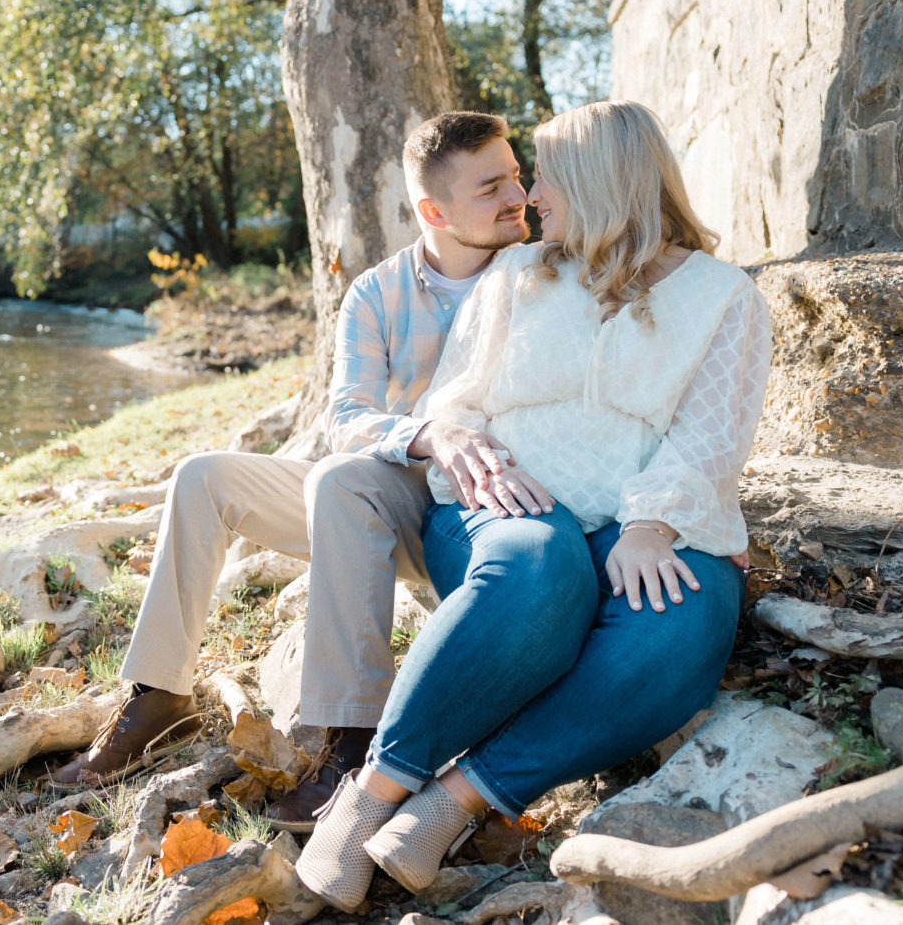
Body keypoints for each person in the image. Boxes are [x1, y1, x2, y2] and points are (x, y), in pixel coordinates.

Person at [294, 100, 772, 907]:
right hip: (500, 503)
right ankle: (373, 790)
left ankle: (459, 799)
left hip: (643, 516)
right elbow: (457, 399)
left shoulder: (725, 297)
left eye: (544, 174)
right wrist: (460, 443)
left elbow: (712, 436)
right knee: (538, 564)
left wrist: (652, 524)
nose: (533, 195)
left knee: (686, 623)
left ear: (598, 180)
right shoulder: (518, 273)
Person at [50, 111, 548, 830]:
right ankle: (159, 693)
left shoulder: (536, 276)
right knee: (203, 476)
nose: (518, 196)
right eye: (492, 186)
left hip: (473, 512)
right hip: (377, 493)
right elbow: (346, 414)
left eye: (517, 177)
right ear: (433, 212)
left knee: (338, 480)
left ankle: (354, 741)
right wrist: (427, 434)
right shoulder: (376, 294)